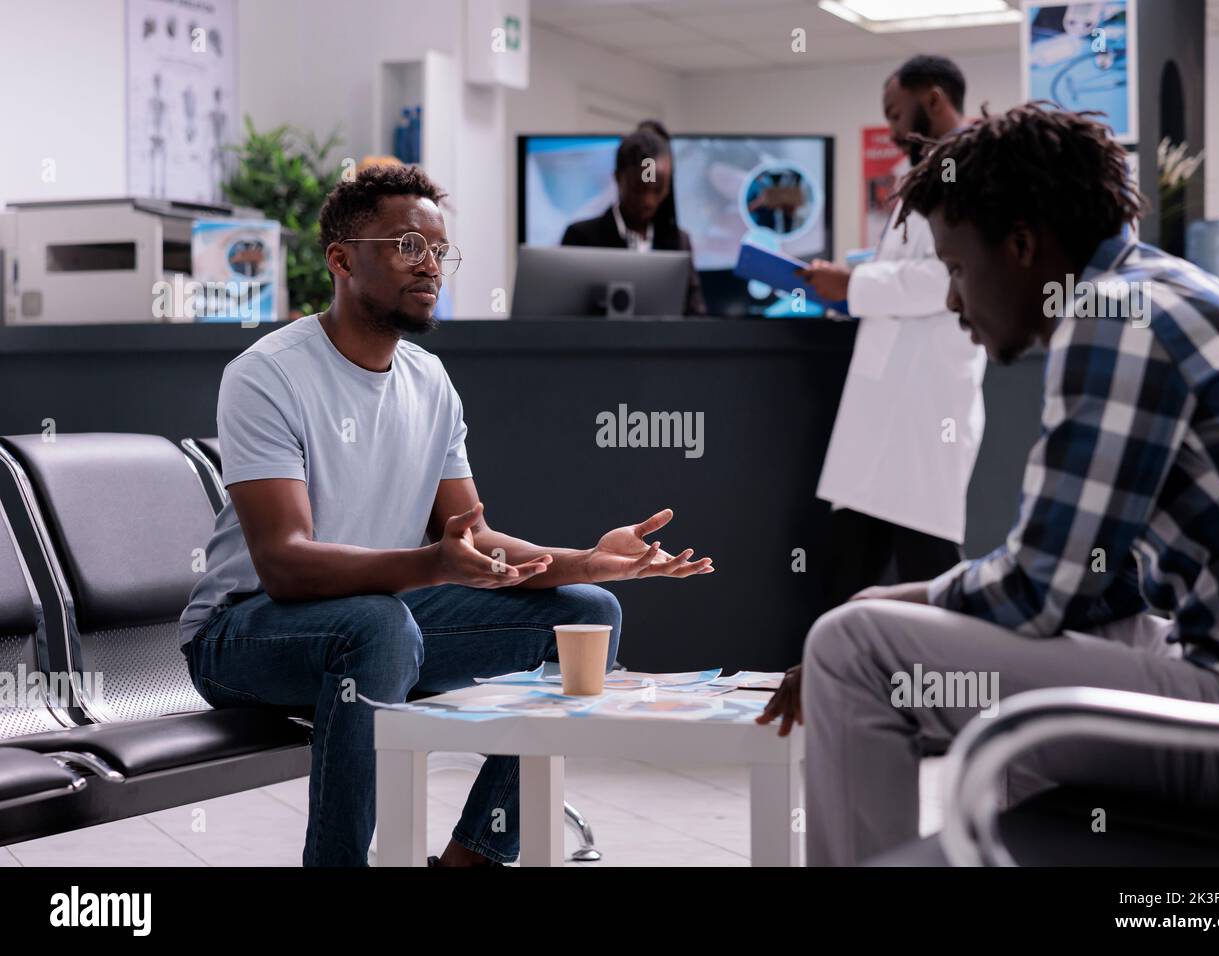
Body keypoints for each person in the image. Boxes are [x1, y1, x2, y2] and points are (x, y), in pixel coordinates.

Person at [760, 103, 1219, 865]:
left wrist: (884, 600)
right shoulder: (1181, 291)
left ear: (1019, 246)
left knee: (851, 644)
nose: (951, 302)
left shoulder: (1114, 315)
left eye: (954, 269)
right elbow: (1090, 592)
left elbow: (1036, 588)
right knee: (1044, 639)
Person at [178, 164, 714, 867]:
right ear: (341, 259)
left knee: (588, 613)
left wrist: (587, 560)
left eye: (438, 250)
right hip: (245, 632)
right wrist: (430, 565)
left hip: (383, 617)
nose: (431, 266)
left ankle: (475, 857)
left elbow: (472, 536)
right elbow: (285, 564)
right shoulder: (268, 374)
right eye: (407, 246)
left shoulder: (428, 380)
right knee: (378, 626)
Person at [800, 56, 986, 609]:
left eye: (895, 112)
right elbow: (905, 271)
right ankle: (833, 688)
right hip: (886, 407)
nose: (890, 128)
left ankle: (947, 691)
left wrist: (854, 283)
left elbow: (944, 278)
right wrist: (845, 288)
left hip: (928, 407)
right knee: (846, 571)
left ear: (931, 99)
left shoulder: (970, 168)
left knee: (925, 568)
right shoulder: (926, 173)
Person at [562, 126, 708, 316]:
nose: (648, 201)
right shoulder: (581, 238)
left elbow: (695, 316)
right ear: (617, 178)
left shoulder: (679, 242)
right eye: (638, 190)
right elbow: (566, 317)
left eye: (657, 190)